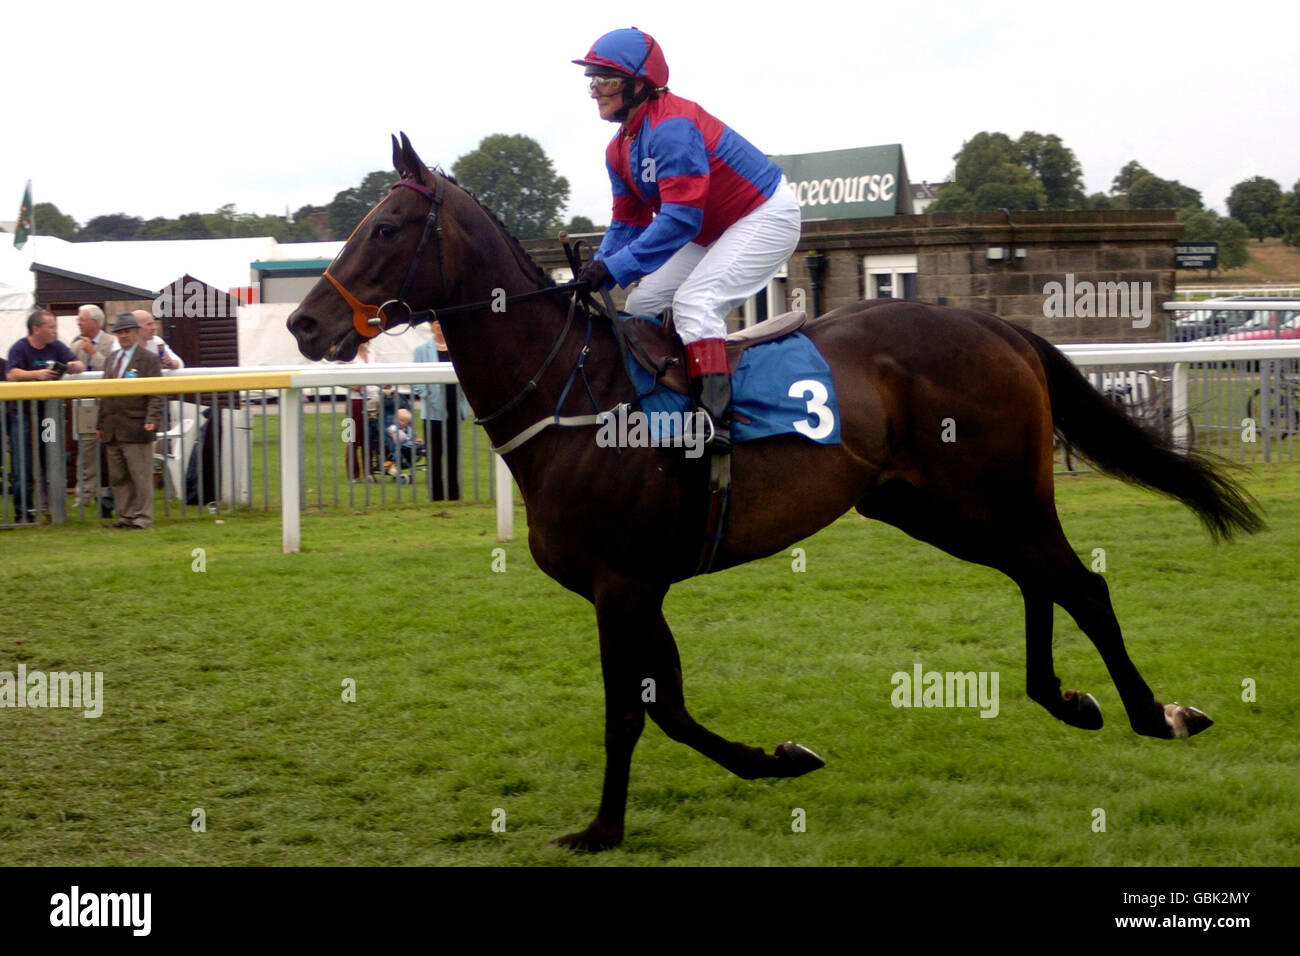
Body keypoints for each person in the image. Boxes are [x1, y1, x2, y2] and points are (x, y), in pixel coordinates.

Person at [574, 27, 802, 452]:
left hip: (764, 215)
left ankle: (717, 421)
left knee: (695, 302)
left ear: (638, 84)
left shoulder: (672, 128)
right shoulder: (618, 148)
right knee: (641, 305)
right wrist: (597, 274)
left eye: (604, 79)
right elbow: (628, 222)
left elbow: (679, 220)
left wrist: (616, 268)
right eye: (592, 79)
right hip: (711, 229)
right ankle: (669, 401)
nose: (594, 91)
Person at [5, 309, 86, 522]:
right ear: (36, 329)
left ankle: (52, 508)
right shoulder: (20, 348)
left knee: (51, 456)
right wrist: (36, 375)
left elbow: (79, 363)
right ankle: (23, 512)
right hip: (22, 416)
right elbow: (11, 374)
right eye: (50, 327)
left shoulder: (56, 347)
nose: (54, 331)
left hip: (48, 418)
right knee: (22, 461)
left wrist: (71, 366)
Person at [96, 313, 163, 529]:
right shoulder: (111, 359)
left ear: (136, 333)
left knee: (140, 475)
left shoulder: (149, 359)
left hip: (137, 426)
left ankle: (143, 518)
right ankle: (126, 516)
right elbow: (104, 394)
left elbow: (157, 393)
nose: (123, 335)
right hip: (112, 428)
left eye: (127, 331)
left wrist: (152, 418)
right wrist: (100, 424)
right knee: (118, 476)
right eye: (120, 332)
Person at [70, 304, 120, 509]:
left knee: (114, 449)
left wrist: (94, 353)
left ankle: (115, 495)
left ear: (95, 322)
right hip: (85, 404)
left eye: (81, 320)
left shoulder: (112, 342)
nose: (78, 323)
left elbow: (113, 370)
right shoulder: (75, 345)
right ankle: (83, 496)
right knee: (86, 450)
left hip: (108, 404)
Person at [412, 322, 461, 500]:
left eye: (442, 322)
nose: (439, 326)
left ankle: (453, 494)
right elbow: (416, 380)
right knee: (434, 454)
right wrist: (428, 395)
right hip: (432, 411)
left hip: (453, 408)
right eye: (436, 323)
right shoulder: (421, 350)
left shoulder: (457, 345)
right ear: (431, 326)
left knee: (452, 453)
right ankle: (436, 495)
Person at [345, 342, 381, 480]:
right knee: (351, 437)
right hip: (354, 400)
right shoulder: (347, 354)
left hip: (372, 398)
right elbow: (334, 376)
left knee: (370, 437)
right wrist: (352, 385)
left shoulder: (372, 352)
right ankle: (353, 474)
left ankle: (368, 472)